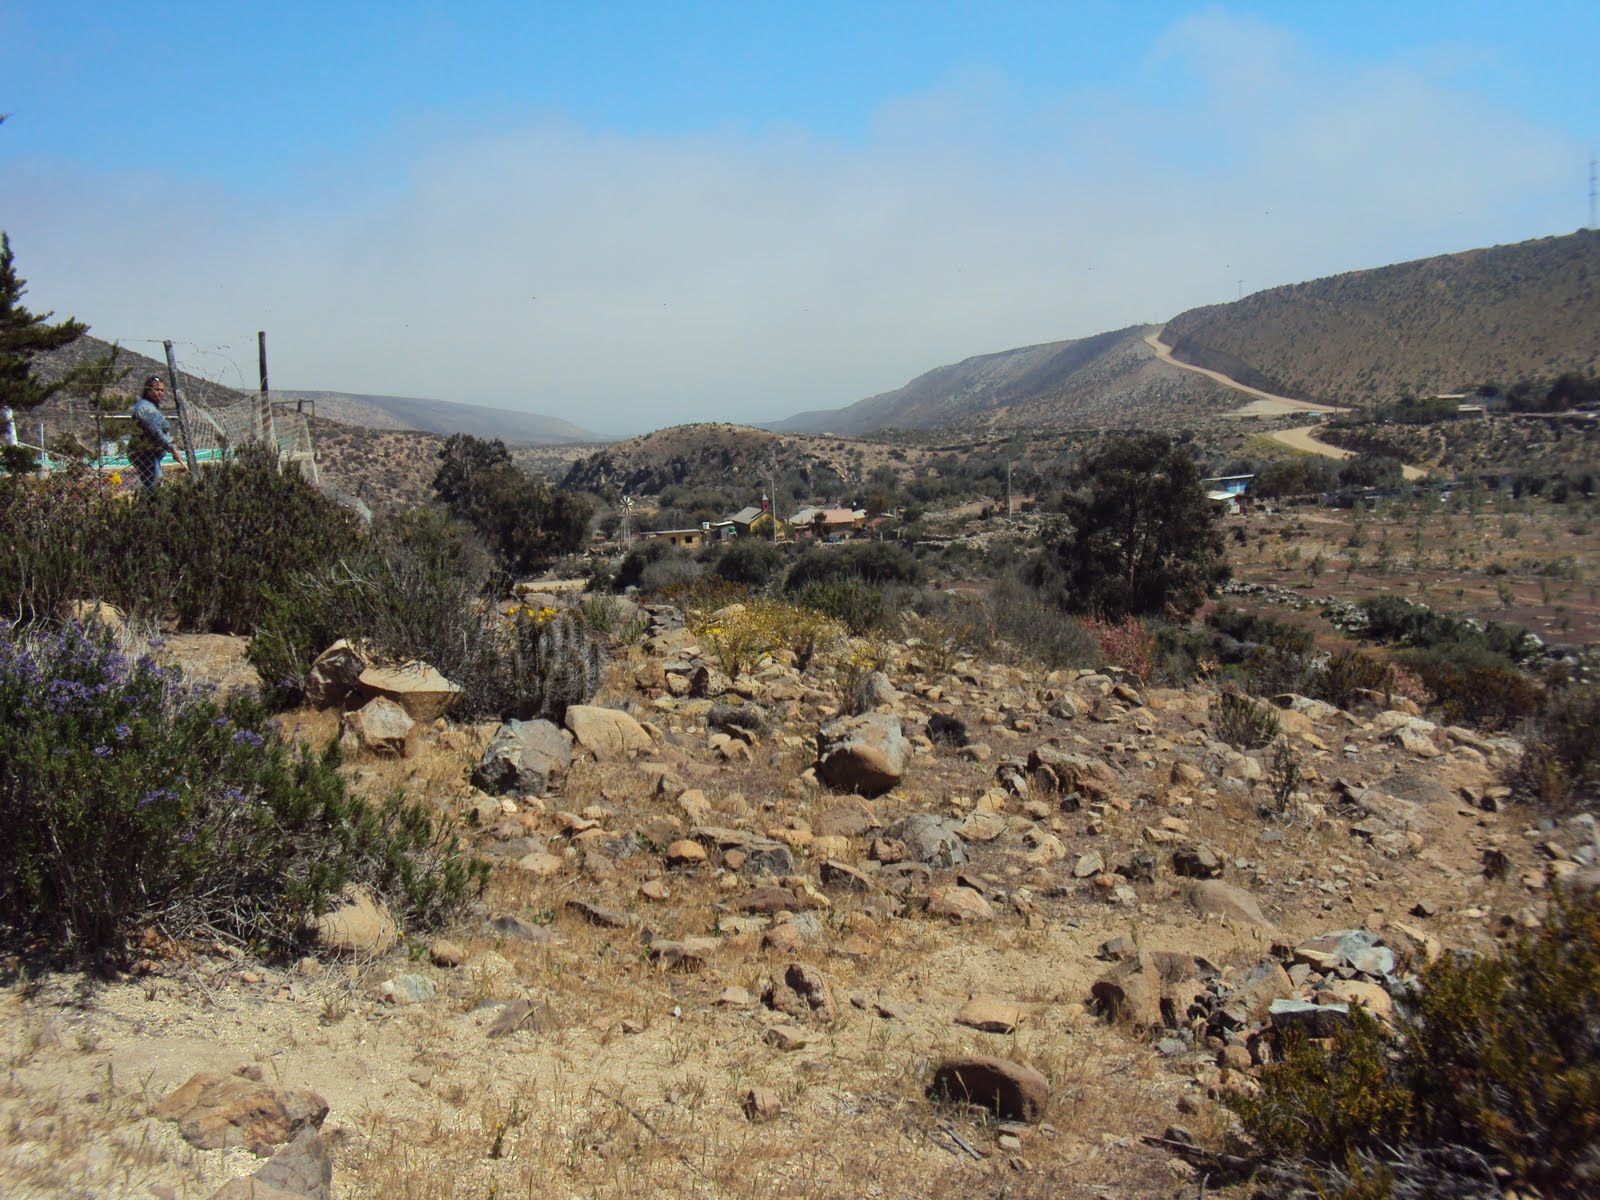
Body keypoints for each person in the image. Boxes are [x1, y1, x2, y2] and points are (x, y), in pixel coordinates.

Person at [128, 375, 181, 493]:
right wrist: (172, 449)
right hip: (144, 453)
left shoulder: (152, 407)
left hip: (151, 454)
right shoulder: (145, 408)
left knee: (152, 484)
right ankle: (153, 507)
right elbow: (156, 432)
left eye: (162, 390)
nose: (160, 393)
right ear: (148, 390)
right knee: (154, 486)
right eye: (157, 390)